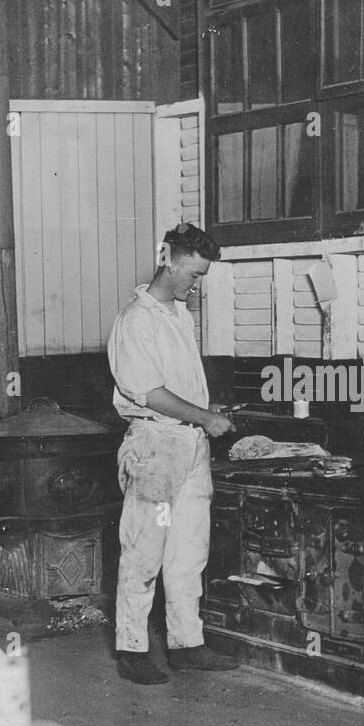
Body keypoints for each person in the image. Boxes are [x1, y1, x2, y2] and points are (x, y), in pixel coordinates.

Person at [106, 223, 239, 684]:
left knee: (188, 551)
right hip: (155, 445)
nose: (195, 283)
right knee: (144, 549)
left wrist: (205, 412)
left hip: (190, 446)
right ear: (167, 259)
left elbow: (177, 386)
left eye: (201, 276)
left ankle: (187, 643)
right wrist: (204, 417)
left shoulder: (178, 314)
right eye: (192, 273)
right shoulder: (136, 319)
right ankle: (132, 648)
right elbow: (149, 393)